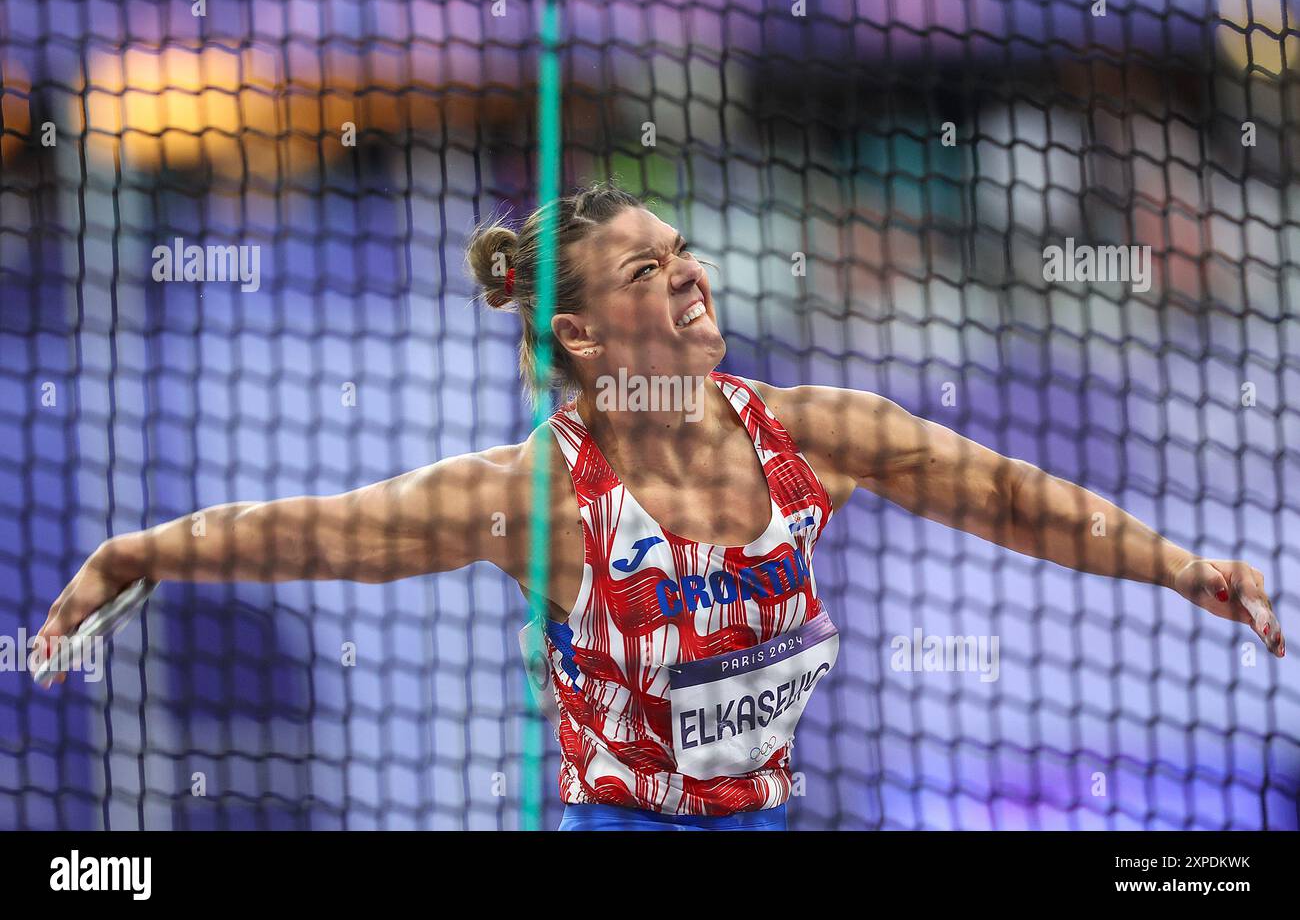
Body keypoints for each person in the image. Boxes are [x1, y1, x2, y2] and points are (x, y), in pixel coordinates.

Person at [35, 182, 1285, 831]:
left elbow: (1017, 500)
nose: (688, 270)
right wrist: (133, 549)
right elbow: (308, 529)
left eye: (681, 248)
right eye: (648, 267)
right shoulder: (536, 498)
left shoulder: (809, 431)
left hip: (773, 818)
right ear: (580, 332)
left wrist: (1185, 567)